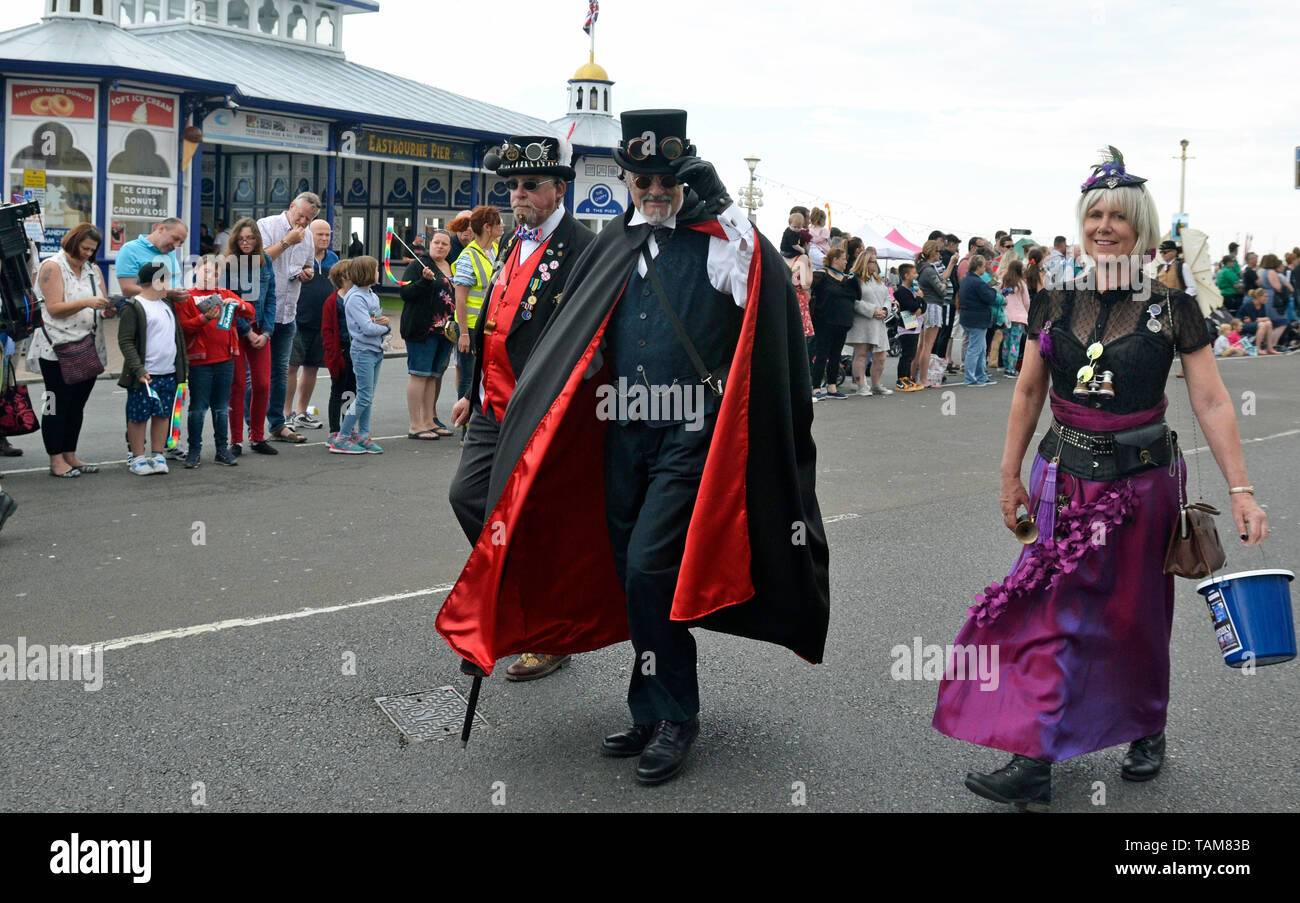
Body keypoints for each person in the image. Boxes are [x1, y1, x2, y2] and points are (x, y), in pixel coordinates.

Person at [435, 108, 829, 786]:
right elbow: (579, 335)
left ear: (684, 176)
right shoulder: (615, 245)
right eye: (641, 176)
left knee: (651, 566)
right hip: (623, 430)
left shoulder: (718, 242)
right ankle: (650, 706)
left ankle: (677, 714)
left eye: (664, 177)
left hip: (690, 433)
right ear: (624, 176)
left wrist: (727, 206)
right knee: (628, 570)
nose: (652, 188)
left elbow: (761, 280)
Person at [933, 147, 1270, 812]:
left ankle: (1146, 723)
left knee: (1135, 617)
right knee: (1048, 613)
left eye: (1119, 215)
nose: (1105, 225)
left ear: (1140, 227)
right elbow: (1028, 391)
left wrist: (1240, 488)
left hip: (1143, 487)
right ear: (1082, 223)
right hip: (1062, 479)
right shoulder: (1054, 300)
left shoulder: (1174, 307)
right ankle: (1033, 758)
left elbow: (1211, 401)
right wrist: (1009, 474)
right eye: (1094, 214)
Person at [447, 134, 595, 681]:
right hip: (490, 404)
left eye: (531, 184)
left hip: (536, 412)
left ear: (559, 188)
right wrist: (469, 390)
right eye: (511, 185)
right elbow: (493, 323)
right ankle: (513, 603)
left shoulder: (583, 248)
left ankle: (547, 632)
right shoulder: (513, 242)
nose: (519, 194)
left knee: (525, 522)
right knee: (469, 500)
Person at [28, 224, 113, 477]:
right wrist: (87, 302)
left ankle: (70, 454)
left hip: (87, 345)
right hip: (56, 347)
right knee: (55, 403)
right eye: (84, 248)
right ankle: (55, 459)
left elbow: (102, 302)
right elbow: (53, 308)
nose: (87, 253)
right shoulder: (52, 266)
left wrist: (106, 310)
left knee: (77, 405)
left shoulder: (92, 269)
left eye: (92, 250)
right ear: (72, 242)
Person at [176, 256, 255, 467]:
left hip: (225, 359)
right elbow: (183, 327)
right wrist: (205, 318)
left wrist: (238, 303)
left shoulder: (224, 294)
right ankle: (194, 451)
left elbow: (250, 311)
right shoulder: (186, 297)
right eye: (206, 271)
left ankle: (222, 449)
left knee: (221, 407)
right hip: (200, 362)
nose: (210, 276)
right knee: (198, 408)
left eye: (215, 273)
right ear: (196, 270)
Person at [257, 191, 320, 444]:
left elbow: (310, 267)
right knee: (256, 374)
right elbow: (258, 261)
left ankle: (277, 424)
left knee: (280, 373)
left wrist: (307, 273)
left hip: (288, 312)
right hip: (263, 312)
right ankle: (251, 425)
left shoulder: (307, 237)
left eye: (309, 219)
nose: (303, 222)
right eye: (301, 215)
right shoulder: (267, 225)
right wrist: (287, 241)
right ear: (291, 206)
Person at [118, 262, 189, 476]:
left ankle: (157, 454)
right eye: (167, 279)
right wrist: (138, 369)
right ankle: (138, 457)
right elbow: (126, 341)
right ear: (157, 281)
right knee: (138, 417)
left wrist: (183, 368)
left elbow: (178, 339)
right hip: (145, 376)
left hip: (168, 372)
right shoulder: (134, 307)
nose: (170, 285)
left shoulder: (167, 304)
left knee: (162, 415)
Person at [222, 219, 278, 456]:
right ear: (235, 240)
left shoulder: (264, 262)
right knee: (237, 386)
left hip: (261, 331)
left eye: (250, 238)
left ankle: (257, 436)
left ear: (257, 239)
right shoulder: (228, 265)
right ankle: (235, 440)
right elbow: (227, 300)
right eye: (241, 239)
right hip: (237, 331)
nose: (245, 242)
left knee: (263, 385)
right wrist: (248, 331)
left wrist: (266, 332)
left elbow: (273, 297)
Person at [450, 206, 504, 442]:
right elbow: (459, 298)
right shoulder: (467, 256)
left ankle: (481, 423)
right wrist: (463, 333)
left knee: (485, 374)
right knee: (470, 376)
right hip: (471, 327)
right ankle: (466, 429)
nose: (503, 227)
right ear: (487, 227)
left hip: (490, 325)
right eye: (499, 223)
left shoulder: (495, 251)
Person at [398, 229, 457, 441]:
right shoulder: (418, 265)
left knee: (433, 376)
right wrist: (424, 282)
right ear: (430, 244)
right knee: (419, 374)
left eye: (444, 244)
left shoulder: (450, 266)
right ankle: (415, 424)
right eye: (437, 243)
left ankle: (429, 420)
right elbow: (405, 293)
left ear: (450, 248)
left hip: (445, 330)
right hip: (423, 329)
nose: (440, 247)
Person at [332, 256, 389, 453]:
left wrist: (382, 325)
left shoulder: (372, 295)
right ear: (366, 273)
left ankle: (364, 434)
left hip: (375, 350)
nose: (378, 273)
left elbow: (377, 319)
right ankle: (343, 436)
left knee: (368, 396)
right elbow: (367, 327)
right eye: (375, 269)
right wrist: (387, 328)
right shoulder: (356, 298)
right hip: (363, 350)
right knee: (363, 396)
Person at [284, 219, 337, 431]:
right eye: (320, 234)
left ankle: (302, 412)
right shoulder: (297, 255)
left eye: (327, 235)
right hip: (297, 320)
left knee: (312, 368)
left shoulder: (333, 259)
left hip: (322, 323)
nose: (324, 238)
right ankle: (285, 413)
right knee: (291, 368)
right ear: (308, 236)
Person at [809, 247, 856, 399]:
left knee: (836, 355)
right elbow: (806, 286)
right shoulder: (822, 275)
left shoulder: (847, 279)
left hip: (842, 322)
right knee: (822, 354)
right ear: (835, 260)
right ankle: (815, 388)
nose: (846, 261)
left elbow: (857, 295)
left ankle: (832, 387)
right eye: (844, 259)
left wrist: (852, 281)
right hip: (824, 321)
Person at [847, 253, 893, 396]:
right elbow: (852, 301)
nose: (875, 264)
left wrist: (885, 309)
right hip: (863, 322)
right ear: (864, 262)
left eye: (875, 262)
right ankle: (861, 385)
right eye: (872, 262)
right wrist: (872, 311)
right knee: (861, 354)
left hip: (879, 322)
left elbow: (887, 297)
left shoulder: (878, 280)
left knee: (881, 356)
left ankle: (876, 384)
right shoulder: (854, 279)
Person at [115, 217, 188, 300]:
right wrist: (166, 293)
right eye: (175, 238)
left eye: (181, 242)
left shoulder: (171, 251)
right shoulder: (130, 249)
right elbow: (127, 289)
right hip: (146, 310)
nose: (176, 246)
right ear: (161, 229)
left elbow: (175, 282)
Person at [915, 240, 953, 387]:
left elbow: (941, 281)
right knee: (927, 346)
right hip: (933, 306)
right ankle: (923, 378)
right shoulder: (929, 270)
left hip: (926, 306)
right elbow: (942, 289)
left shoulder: (923, 268)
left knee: (921, 345)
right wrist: (943, 284)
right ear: (933, 253)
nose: (940, 255)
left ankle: (915, 375)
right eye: (938, 252)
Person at [957, 254, 997, 386]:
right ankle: (971, 378)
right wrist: (994, 289)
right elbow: (989, 298)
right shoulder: (977, 282)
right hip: (977, 319)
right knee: (975, 349)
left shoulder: (966, 280)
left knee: (980, 348)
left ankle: (980, 375)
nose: (985, 268)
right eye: (984, 266)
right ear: (979, 266)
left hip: (968, 317)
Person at [892, 263, 924, 390]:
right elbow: (912, 307)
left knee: (911, 353)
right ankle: (901, 379)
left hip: (914, 323)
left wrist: (920, 303)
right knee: (907, 353)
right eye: (914, 273)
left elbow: (922, 308)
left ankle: (907, 378)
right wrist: (919, 301)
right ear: (906, 276)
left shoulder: (913, 290)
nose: (916, 275)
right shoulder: (901, 291)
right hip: (907, 324)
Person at [999, 258, 1031, 378]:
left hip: (1006, 316)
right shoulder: (1021, 284)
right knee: (1015, 343)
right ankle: (1011, 369)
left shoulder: (1003, 282)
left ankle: (1006, 366)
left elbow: (999, 294)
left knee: (1006, 342)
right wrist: (1026, 312)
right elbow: (1027, 302)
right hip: (1019, 317)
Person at [1238, 288, 1278, 353]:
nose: (1266, 298)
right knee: (1262, 324)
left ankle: (1269, 348)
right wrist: (1264, 319)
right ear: (1258, 297)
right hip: (1241, 325)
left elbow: (1260, 319)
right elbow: (1255, 319)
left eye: (1267, 297)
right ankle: (1258, 348)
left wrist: (1264, 319)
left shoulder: (1262, 305)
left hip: (1253, 323)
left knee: (1268, 323)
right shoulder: (1249, 304)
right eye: (1264, 296)